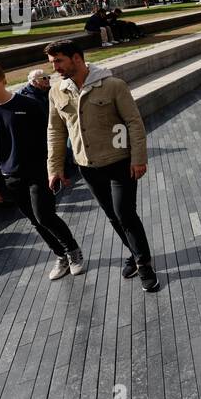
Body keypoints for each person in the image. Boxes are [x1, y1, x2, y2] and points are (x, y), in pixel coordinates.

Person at [44, 40, 159, 292]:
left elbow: (134, 123)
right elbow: (55, 131)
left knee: (125, 214)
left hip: (120, 163)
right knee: (112, 215)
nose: (55, 68)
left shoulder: (113, 85)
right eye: (52, 62)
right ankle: (133, 252)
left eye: (59, 61)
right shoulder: (56, 92)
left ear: (77, 58)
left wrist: (139, 158)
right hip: (87, 166)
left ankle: (144, 264)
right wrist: (55, 168)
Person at [0, 61, 85, 282]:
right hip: (10, 176)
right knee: (34, 220)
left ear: (3, 80)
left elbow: (52, 137)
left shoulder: (29, 105)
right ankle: (60, 255)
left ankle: (72, 250)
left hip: (39, 172)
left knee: (44, 216)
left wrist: (58, 167)